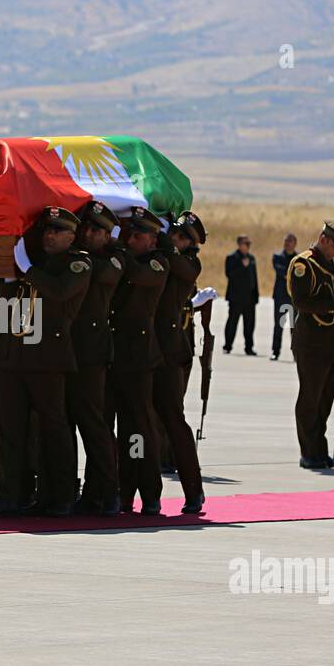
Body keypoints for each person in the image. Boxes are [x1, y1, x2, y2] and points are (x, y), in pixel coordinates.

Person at [0, 208, 91, 517]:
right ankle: (9, 497)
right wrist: (9, 276)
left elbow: (58, 292)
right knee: (11, 432)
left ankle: (62, 496)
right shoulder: (31, 265)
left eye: (57, 231)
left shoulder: (77, 265)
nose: (49, 236)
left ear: (71, 236)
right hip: (13, 358)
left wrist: (26, 269)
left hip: (47, 360)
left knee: (55, 430)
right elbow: (5, 307)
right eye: (46, 231)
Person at [62, 201, 124, 515]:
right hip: (65, 350)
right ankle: (75, 492)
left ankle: (109, 491)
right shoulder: (76, 257)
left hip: (91, 354)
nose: (89, 233)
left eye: (97, 230)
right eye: (85, 227)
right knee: (65, 423)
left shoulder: (112, 260)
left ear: (109, 235)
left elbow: (91, 271)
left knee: (94, 425)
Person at [110, 207, 170, 514]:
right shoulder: (122, 259)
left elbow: (136, 274)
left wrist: (116, 246)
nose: (131, 239)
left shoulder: (158, 263)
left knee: (140, 431)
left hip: (138, 360)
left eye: (137, 235)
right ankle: (123, 491)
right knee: (124, 433)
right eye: (128, 233)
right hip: (115, 356)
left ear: (152, 238)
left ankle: (149, 492)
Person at [152, 212, 210, 514]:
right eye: (176, 233)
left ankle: (194, 489)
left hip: (171, 355)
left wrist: (162, 237)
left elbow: (177, 266)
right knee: (142, 423)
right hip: (144, 351)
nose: (178, 239)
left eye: (185, 237)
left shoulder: (188, 264)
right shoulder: (158, 253)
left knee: (173, 421)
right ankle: (144, 493)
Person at [287, 222, 334, 469]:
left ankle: (321, 451)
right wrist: (333, 304)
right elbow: (302, 302)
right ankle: (309, 453)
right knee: (310, 398)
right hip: (311, 343)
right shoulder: (303, 264)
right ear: (323, 239)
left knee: (325, 398)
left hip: (332, 341)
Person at [223, 234, 259, 355]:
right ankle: (227, 346)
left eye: (249, 243)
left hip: (249, 298)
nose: (248, 246)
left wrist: (256, 296)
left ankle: (249, 347)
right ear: (239, 244)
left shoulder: (251, 258)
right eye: (246, 243)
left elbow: (254, 278)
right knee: (232, 323)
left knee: (250, 324)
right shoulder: (232, 258)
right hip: (236, 297)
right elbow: (229, 274)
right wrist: (241, 267)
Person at [271, 233, 297, 360]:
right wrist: (291, 274)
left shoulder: (299, 259)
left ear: (295, 243)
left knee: (295, 326)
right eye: (286, 241)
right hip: (281, 297)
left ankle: (296, 353)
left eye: (290, 241)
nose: (287, 243)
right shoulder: (277, 256)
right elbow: (280, 270)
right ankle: (275, 352)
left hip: (294, 298)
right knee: (279, 325)